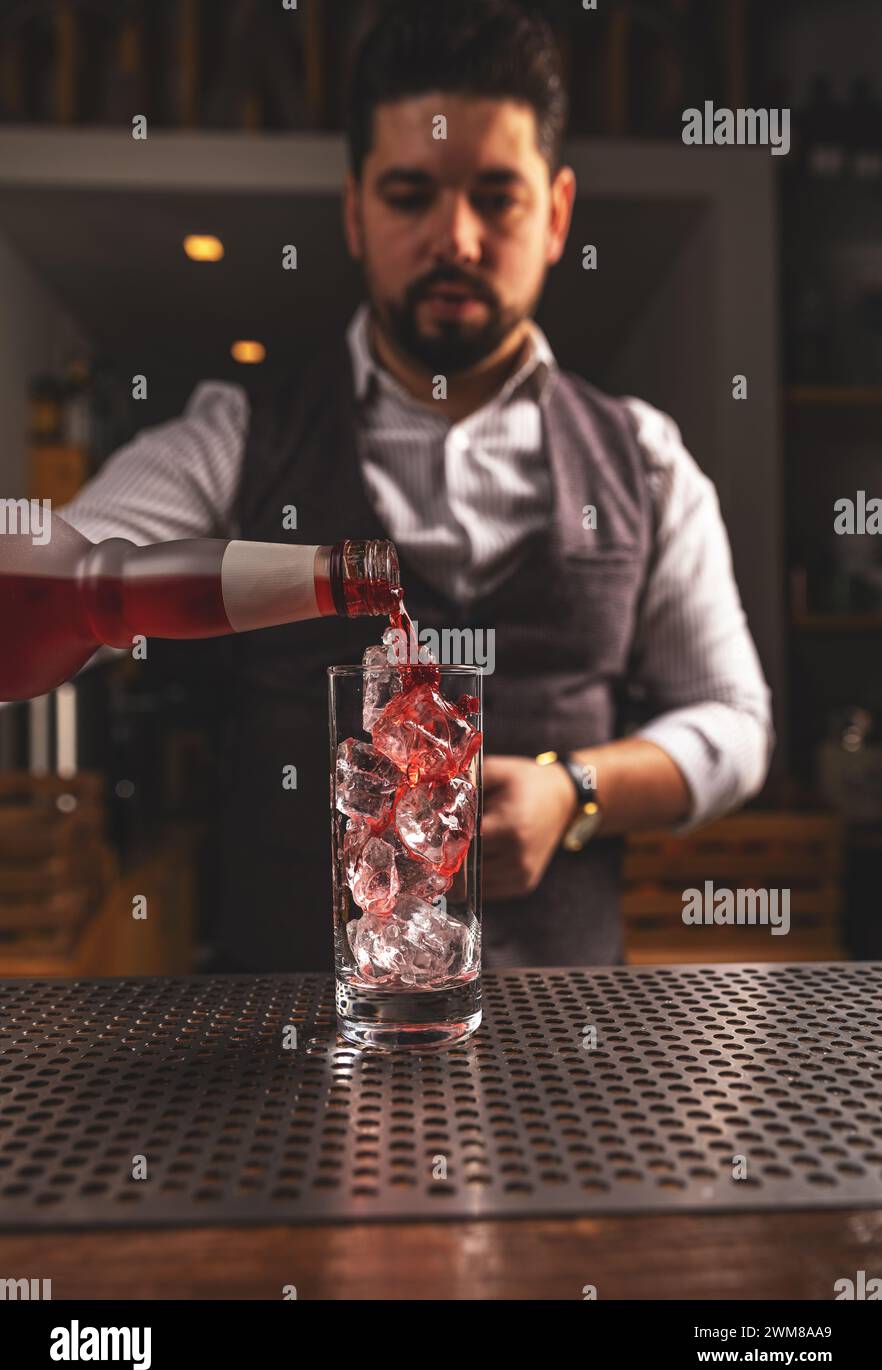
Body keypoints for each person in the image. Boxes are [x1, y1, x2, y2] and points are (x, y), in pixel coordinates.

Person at [60, 0, 773, 972]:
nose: (457, 239)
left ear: (557, 212)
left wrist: (578, 790)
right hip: (281, 1065)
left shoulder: (644, 459)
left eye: (496, 196)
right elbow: (59, 585)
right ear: (354, 211)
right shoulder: (236, 438)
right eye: (410, 195)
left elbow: (735, 718)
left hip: (563, 1065)